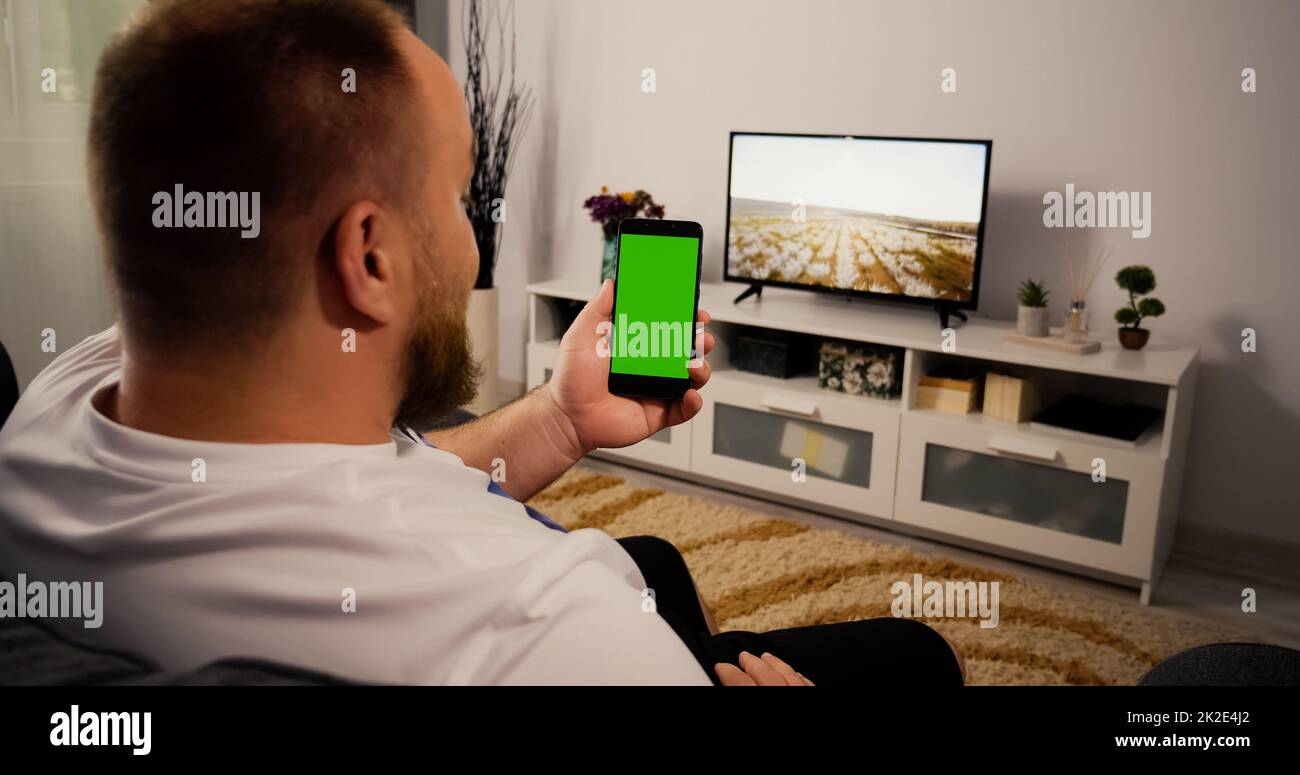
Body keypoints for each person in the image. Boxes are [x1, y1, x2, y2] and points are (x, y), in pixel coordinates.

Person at [0, 0, 961, 686]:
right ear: (367, 255)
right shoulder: (543, 626)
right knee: (929, 655)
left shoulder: (51, 411)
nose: (471, 241)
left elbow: (326, 487)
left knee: (659, 557)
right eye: (462, 197)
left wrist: (557, 418)